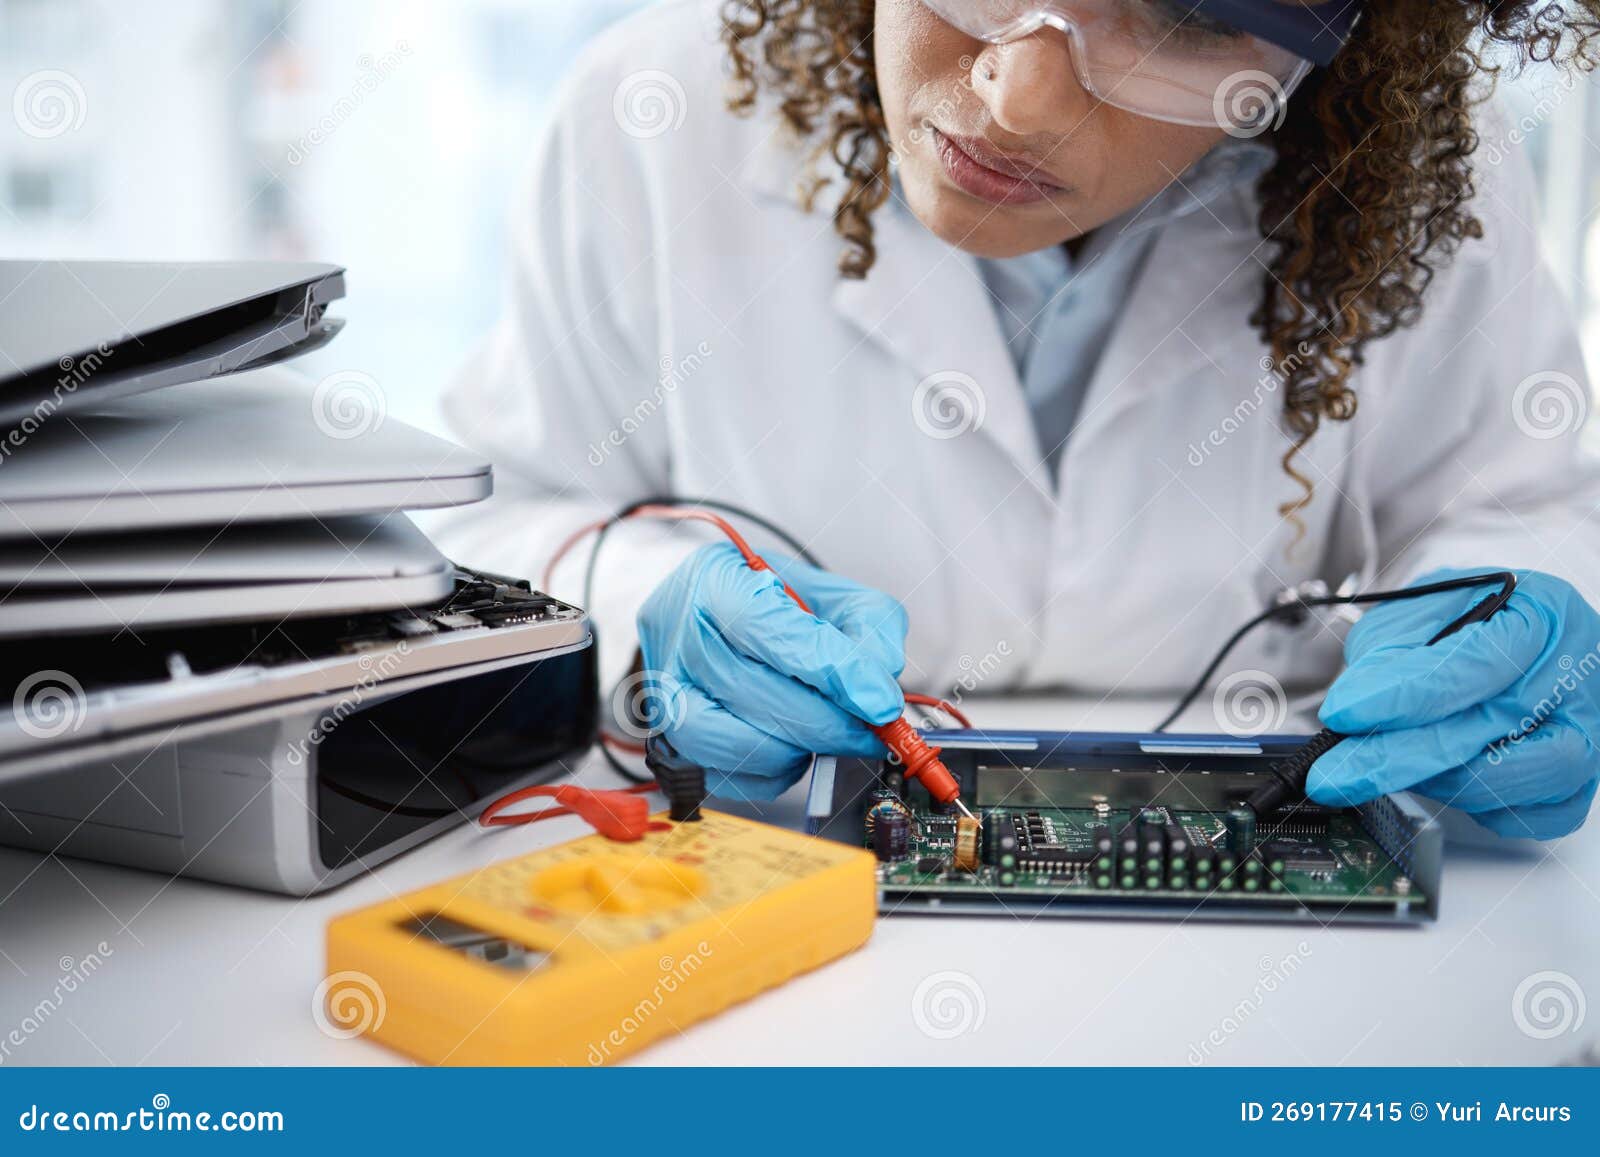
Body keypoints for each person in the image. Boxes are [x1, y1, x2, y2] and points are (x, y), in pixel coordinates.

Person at [435, 0, 1600, 839]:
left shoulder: (1411, 177)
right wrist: (644, 617)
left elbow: (1521, 508)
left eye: (1190, 18)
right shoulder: (652, 114)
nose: (1019, 101)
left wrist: (1514, 640)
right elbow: (491, 524)